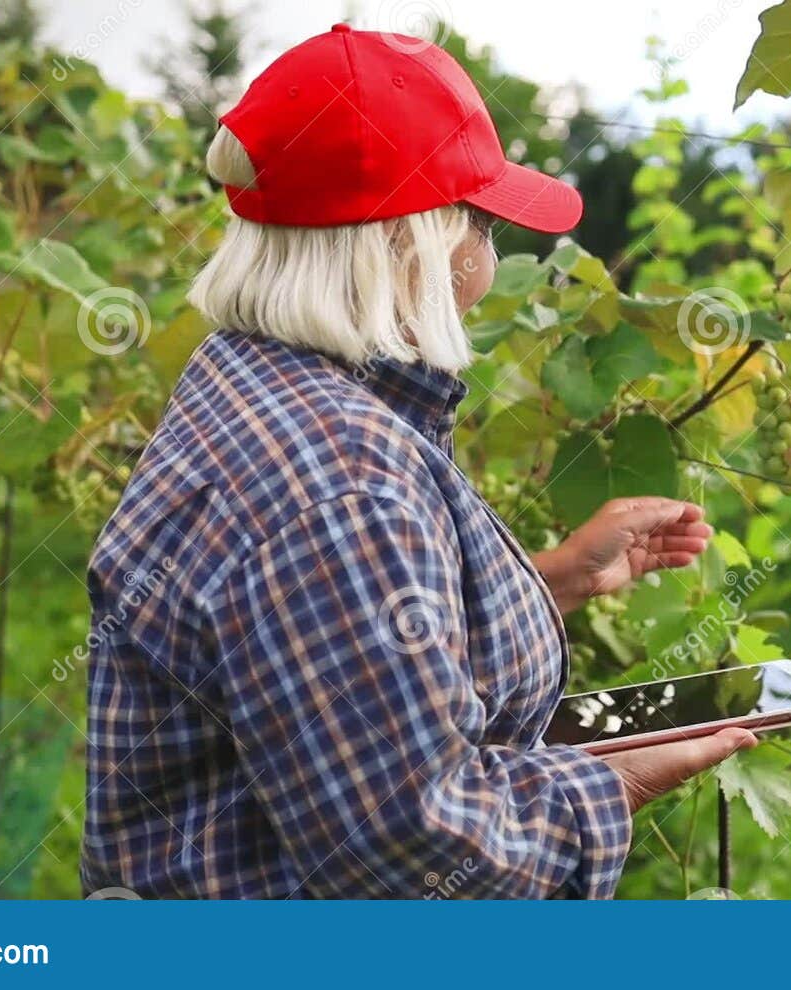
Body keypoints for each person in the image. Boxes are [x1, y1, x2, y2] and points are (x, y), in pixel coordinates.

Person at [81, 23, 754, 900]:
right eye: (477, 221)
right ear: (414, 243)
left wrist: (549, 582)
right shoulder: (339, 481)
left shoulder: (257, 374)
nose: (489, 255)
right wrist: (622, 780)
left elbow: (327, 652)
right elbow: (427, 857)